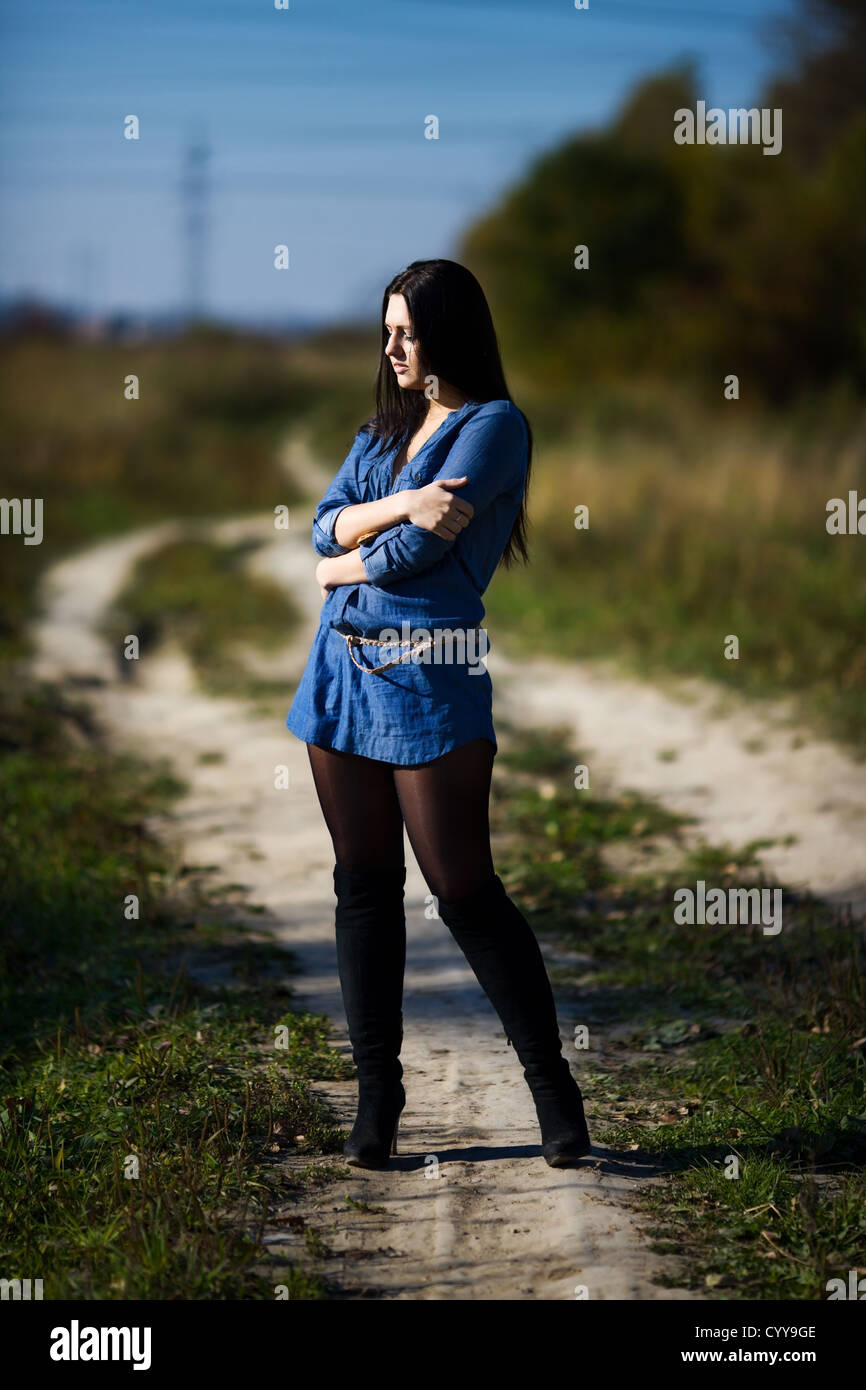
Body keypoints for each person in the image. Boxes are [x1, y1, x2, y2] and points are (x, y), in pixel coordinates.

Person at [286, 259, 591, 1169]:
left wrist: (345, 560)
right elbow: (320, 521)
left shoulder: (496, 428)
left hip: (433, 677)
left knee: (462, 888)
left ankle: (554, 1091)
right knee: (364, 886)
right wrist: (389, 507)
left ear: (448, 334)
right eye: (387, 330)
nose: (392, 347)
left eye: (408, 332)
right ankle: (378, 1099)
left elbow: (415, 548)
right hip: (341, 672)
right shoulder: (379, 434)